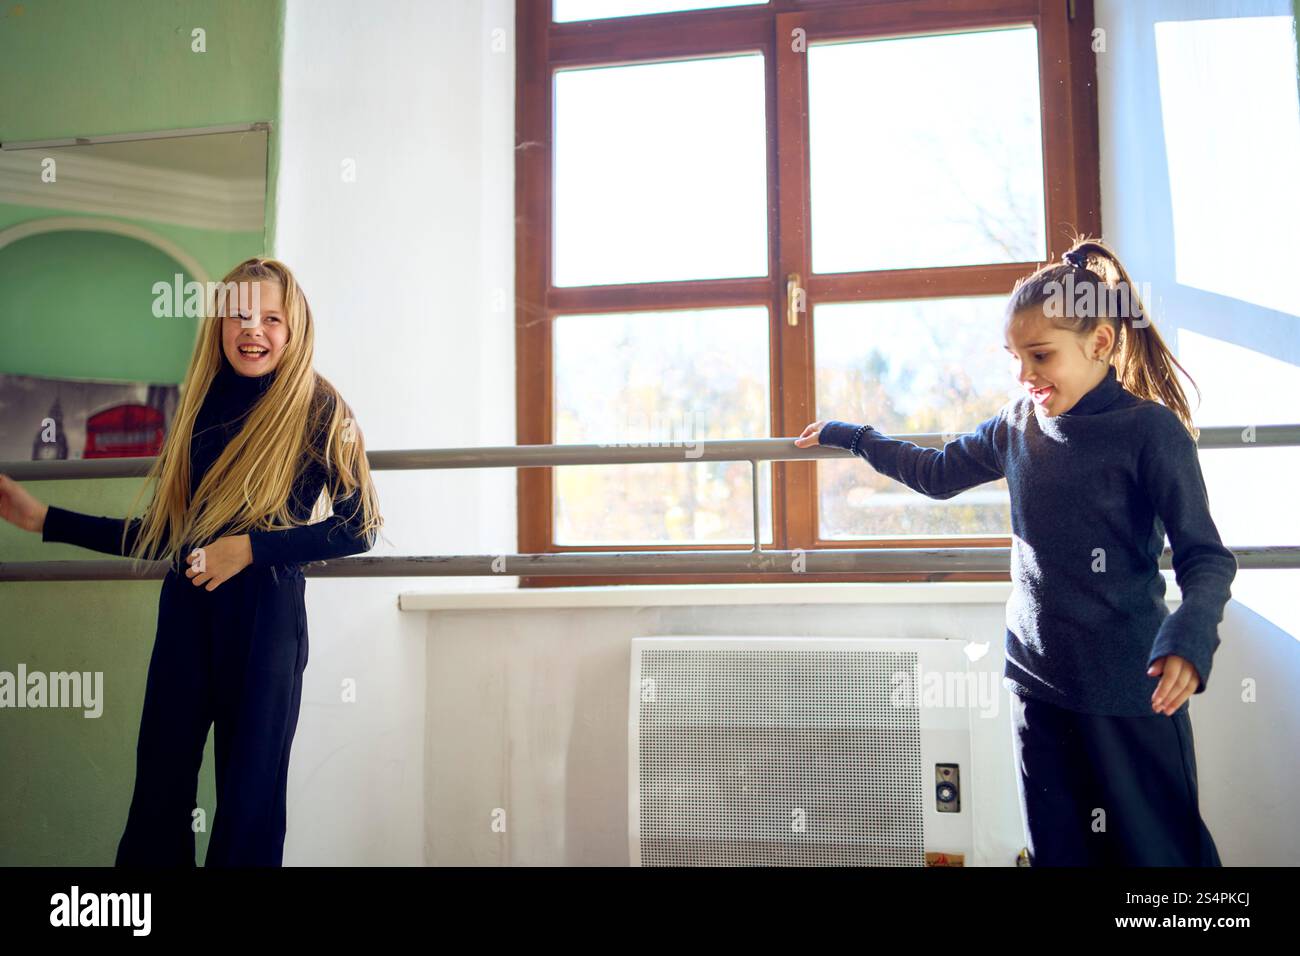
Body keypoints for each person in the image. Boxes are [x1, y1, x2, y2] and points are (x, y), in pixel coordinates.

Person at [794, 236, 1234, 866]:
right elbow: (937, 473)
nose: (1025, 374)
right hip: (1038, 688)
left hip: (1129, 690)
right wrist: (853, 435)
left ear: (1101, 344)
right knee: (1062, 854)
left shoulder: (1149, 432)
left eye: (1041, 354)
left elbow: (1206, 556)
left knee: (1159, 860)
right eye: (1014, 357)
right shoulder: (1014, 424)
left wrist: (1188, 638)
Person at [0, 257, 383, 866]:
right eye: (238, 314)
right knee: (158, 794)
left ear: (294, 328)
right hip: (185, 617)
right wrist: (42, 518)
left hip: (265, 627)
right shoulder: (200, 403)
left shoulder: (320, 407)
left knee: (248, 807)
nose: (252, 328)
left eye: (270, 317)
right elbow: (162, 536)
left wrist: (251, 548)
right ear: (219, 324)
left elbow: (358, 525)